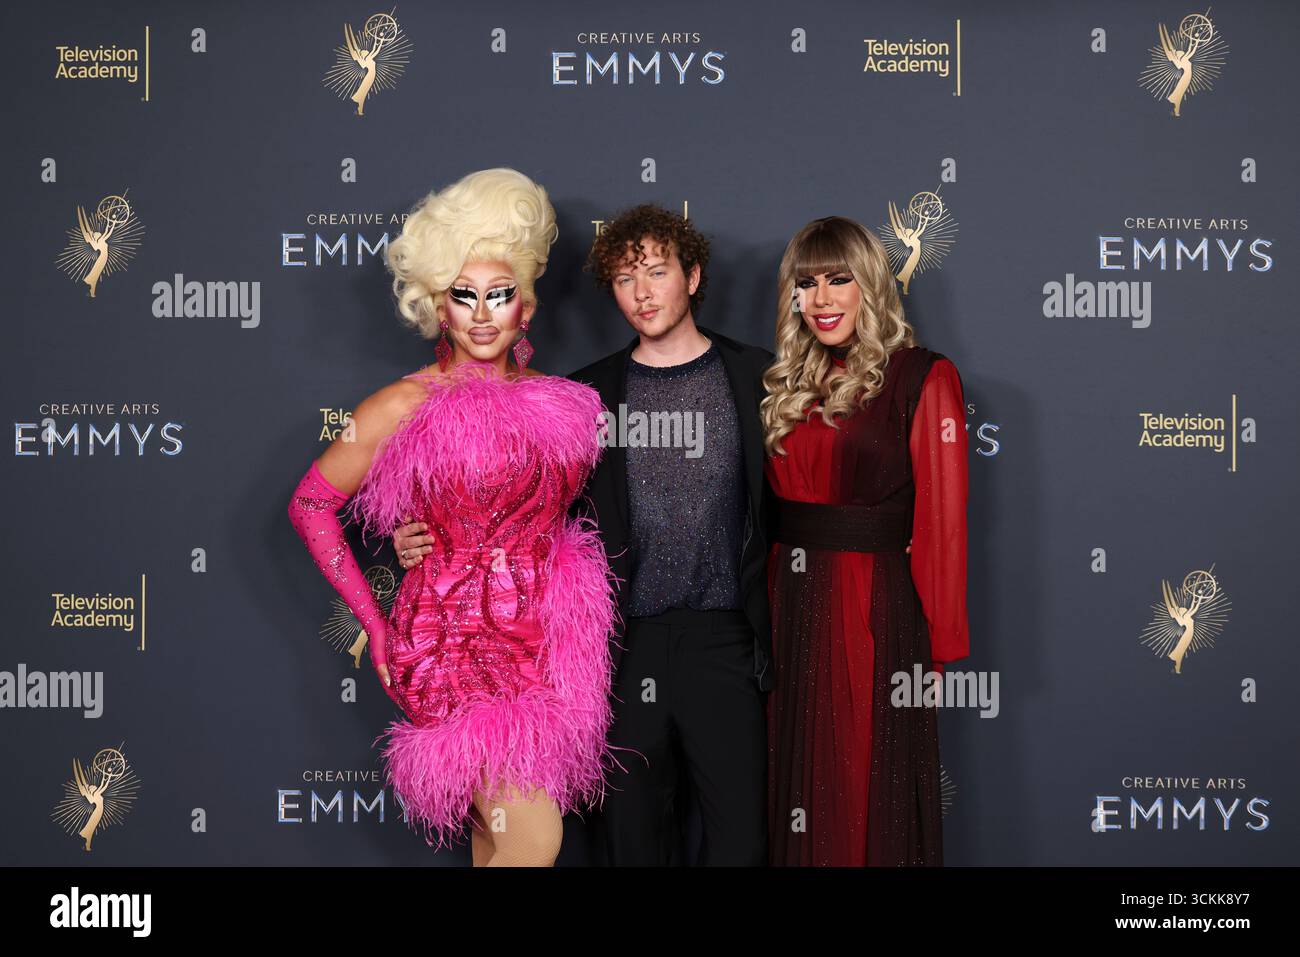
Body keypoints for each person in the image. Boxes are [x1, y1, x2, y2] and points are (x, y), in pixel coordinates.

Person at [395, 204, 774, 865]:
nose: (644, 293)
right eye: (628, 280)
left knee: (741, 838)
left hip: (728, 643)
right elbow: (515, 501)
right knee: (630, 839)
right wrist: (422, 530)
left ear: (694, 274)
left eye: (658, 273)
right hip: (624, 650)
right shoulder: (585, 397)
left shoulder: (758, 378)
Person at [287, 168, 618, 866]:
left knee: (497, 834)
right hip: (449, 641)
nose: (482, 314)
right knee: (534, 834)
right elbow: (311, 503)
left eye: (499, 295)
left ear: (525, 306)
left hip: (545, 644)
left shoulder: (566, 404)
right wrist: (375, 622)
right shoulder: (402, 404)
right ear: (441, 308)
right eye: (463, 297)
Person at [760, 215, 969, 866]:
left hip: (872, 614)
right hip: (786, 611)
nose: (821, 299)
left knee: (858, 785)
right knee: (791, 790)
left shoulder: (922, 378)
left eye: (838, 280)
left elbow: (943, 524)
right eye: (807, 283)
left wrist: (935, 652)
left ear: (869, 285)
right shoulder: (783, 385)